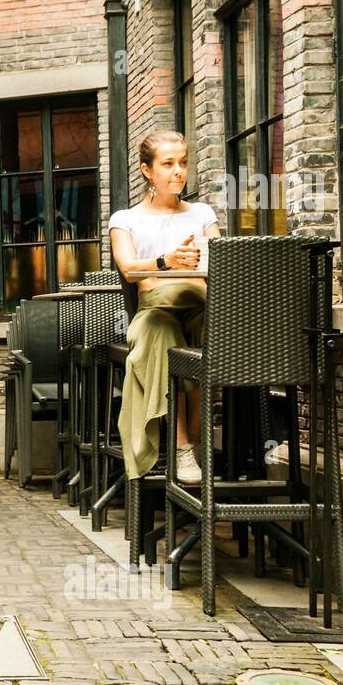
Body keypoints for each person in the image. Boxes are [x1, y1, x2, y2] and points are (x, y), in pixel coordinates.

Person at [109, 130, 222, 485]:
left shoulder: (201, 213)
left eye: (183, 163)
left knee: (213, 331)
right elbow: (129, 269)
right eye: (168, 164)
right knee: (161, 332)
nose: (178, 172)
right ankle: (183, 445)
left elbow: (220, 262)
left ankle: (201, 438)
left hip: (199, 305)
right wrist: (166, 261)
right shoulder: (125, 219)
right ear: (147, 170)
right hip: (155, 311)